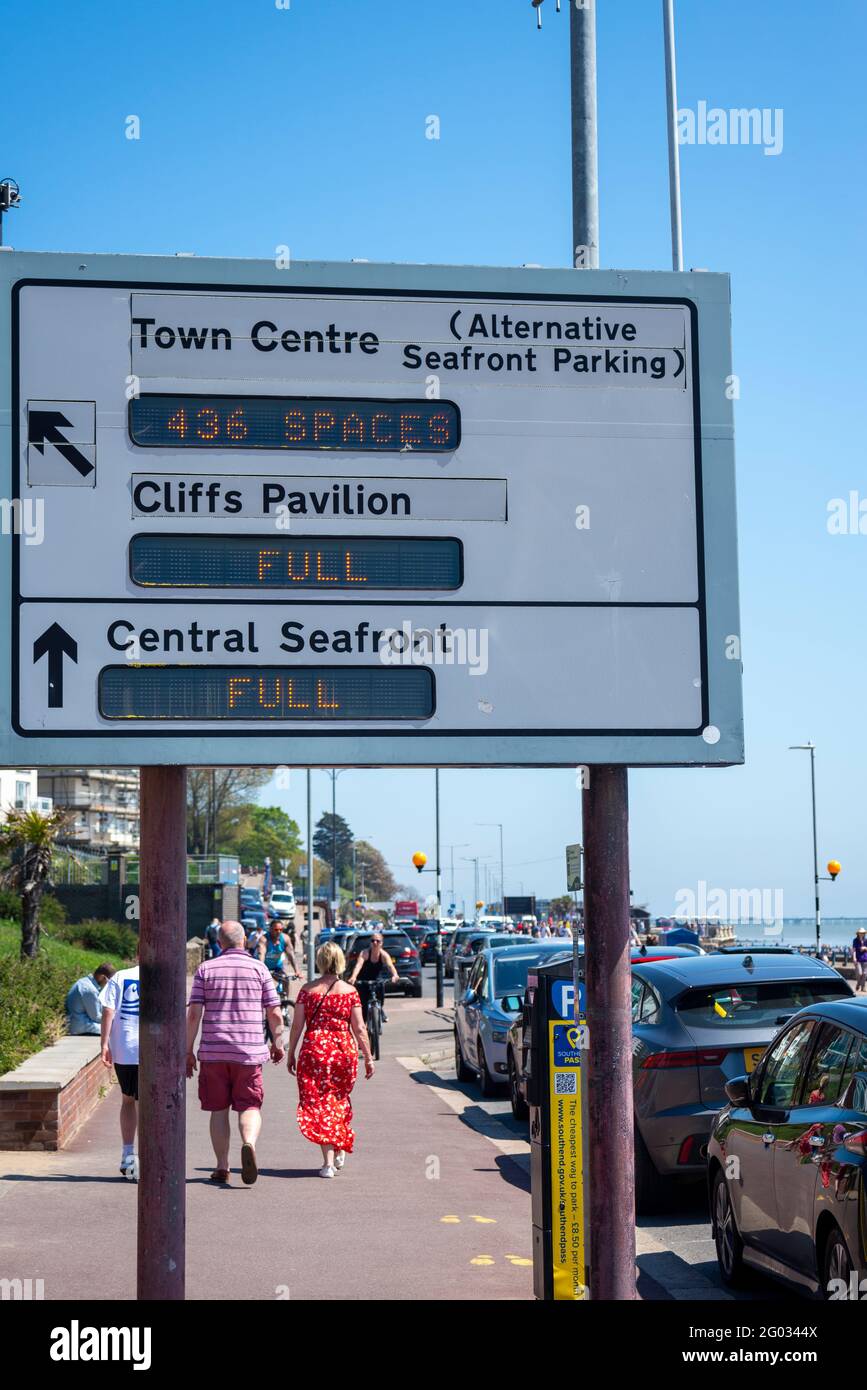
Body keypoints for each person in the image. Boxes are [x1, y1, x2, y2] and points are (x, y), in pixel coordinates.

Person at [186, 920, 285, 1186]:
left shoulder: (206, 969)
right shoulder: (260, 969)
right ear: (244, 941)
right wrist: (278, 1042)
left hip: (214, 1052)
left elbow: (194, 1013)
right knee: (249, 1105)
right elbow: (274, 1012)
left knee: (218, 1110)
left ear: (220, 943)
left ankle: (221, 1166)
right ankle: (249, 1143)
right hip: (249, 1052)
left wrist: (188, 1050)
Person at [286, 941, 374, 1178]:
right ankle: (338, 1142)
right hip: (343, 1051)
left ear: (320, 961)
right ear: (341, 961)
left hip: (314, 1050)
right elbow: (360, 1028)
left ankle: (328, 1162)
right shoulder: (350, 992)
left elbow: (296, 1027)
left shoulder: (307, 990)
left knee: (320, 1102)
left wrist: (291, 1052)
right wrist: (368, 1057)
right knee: (337, 1099)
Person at [99, 958, 140, 1181]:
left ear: (136, 955)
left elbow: (108, 1010)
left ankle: (127, 1154)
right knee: (148, 1105)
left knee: (127, 1100)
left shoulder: (120, 976)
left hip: (125, 1047)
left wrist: (104, 1044)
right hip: (152, 1049)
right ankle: (148, 1156)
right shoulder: (163, 975)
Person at [348, 930, 399, 1024]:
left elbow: (390, 966)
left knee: (380, 997)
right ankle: (364, 1025)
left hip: (377, 979)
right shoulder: (365, 953)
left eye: (378, 941)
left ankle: (380, 1011)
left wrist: (395, 975)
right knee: (363, 1005)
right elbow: (358, 965)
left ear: (381, 943)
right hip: (364, 980)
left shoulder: (383, 955)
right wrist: (353, 977)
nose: (375, 943)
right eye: (373, 940)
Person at [66, 962, 115, 1035]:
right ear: (102, 977)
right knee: (115, 1031)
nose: (108, 985)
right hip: (81, 1026)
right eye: (109, 982)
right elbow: (96, 1017)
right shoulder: (90, 990)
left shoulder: (84, 982)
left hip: (78, 1022)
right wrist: (115, 1018)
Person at [853, 928, 867, 993]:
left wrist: (865, 948)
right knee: (860, 973)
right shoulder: (855, 940)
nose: (862, 934)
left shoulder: (866, 940)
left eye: (863, 933)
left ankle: (863, 987)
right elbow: (854, 950)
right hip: (858, 959)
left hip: (865, 959)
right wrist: (854, 958)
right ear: (858, 933)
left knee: (864, 974)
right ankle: (858, 983)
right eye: (860, 933)